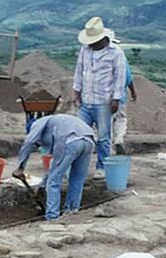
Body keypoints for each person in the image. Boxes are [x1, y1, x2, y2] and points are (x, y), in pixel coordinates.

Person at [13, 114, 96, 221]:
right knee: (77, 180)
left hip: (70, 141)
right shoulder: (57, 123)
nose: (40, 145)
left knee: (53, 182)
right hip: (89, 141)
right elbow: (54, 166)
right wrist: (42, 186)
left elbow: (29, 141)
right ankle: (71, 211)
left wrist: (20, 167)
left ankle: (52, 216)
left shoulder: (37, 124)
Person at [74, 17, 126, 176]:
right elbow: (79, 70)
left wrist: (116, 98)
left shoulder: (115, 53)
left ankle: (102, 167)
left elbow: (120, 77)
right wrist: (76, 90)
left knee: (103, 137)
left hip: (104, 101)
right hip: (86, 100)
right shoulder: (85, 50)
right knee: (79, 134)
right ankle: (77, 167)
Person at [109, 32, 137, 156]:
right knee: (120, 119)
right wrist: (133, 92)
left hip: (102, 96)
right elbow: (128, 77)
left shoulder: (97, 56)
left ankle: (107, 145)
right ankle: (119, 139)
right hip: (120, 96)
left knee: (106, 121)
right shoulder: (120, 56)